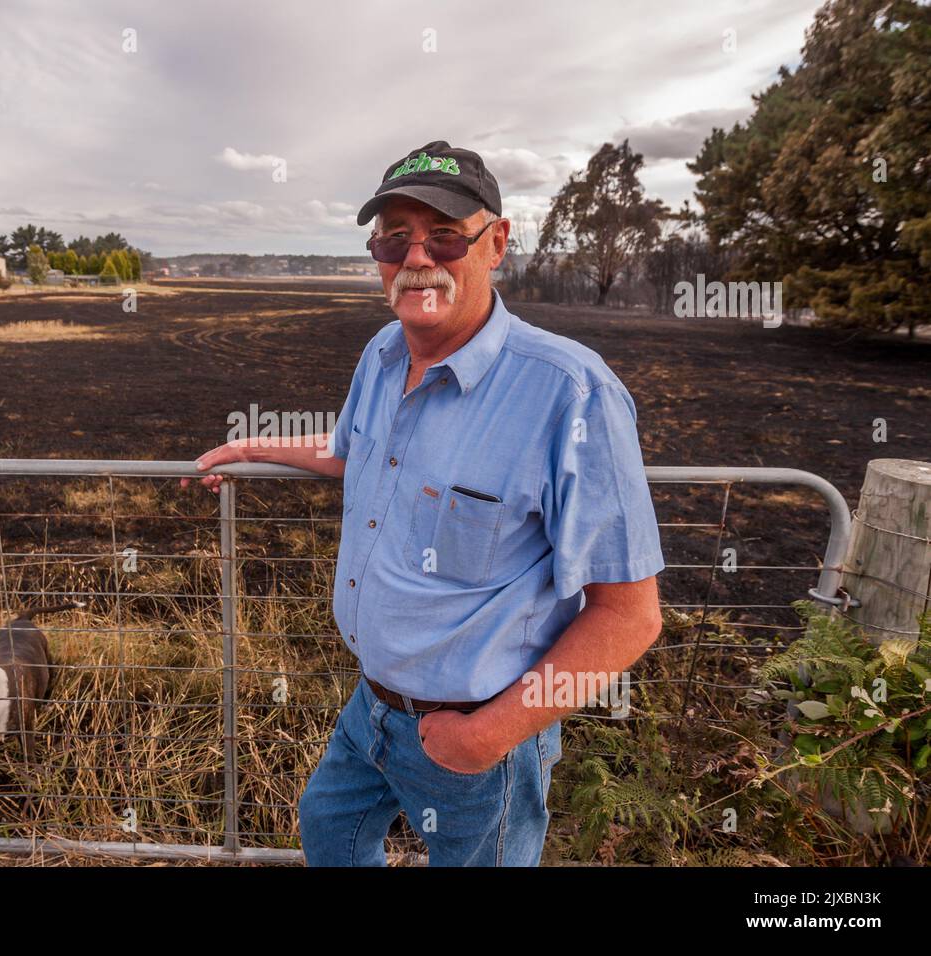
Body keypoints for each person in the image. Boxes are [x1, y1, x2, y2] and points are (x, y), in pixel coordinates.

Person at [184, 141, 665, 866]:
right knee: (329, 831)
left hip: (476, 730)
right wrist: (253, 447)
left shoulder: (571, 394)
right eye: (393, 238)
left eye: (443, 234)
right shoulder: (382, 352)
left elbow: (629, 616)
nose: (417, 256)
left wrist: (490, 735)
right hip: (370, 706)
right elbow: (354, 447)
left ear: (496, 242)